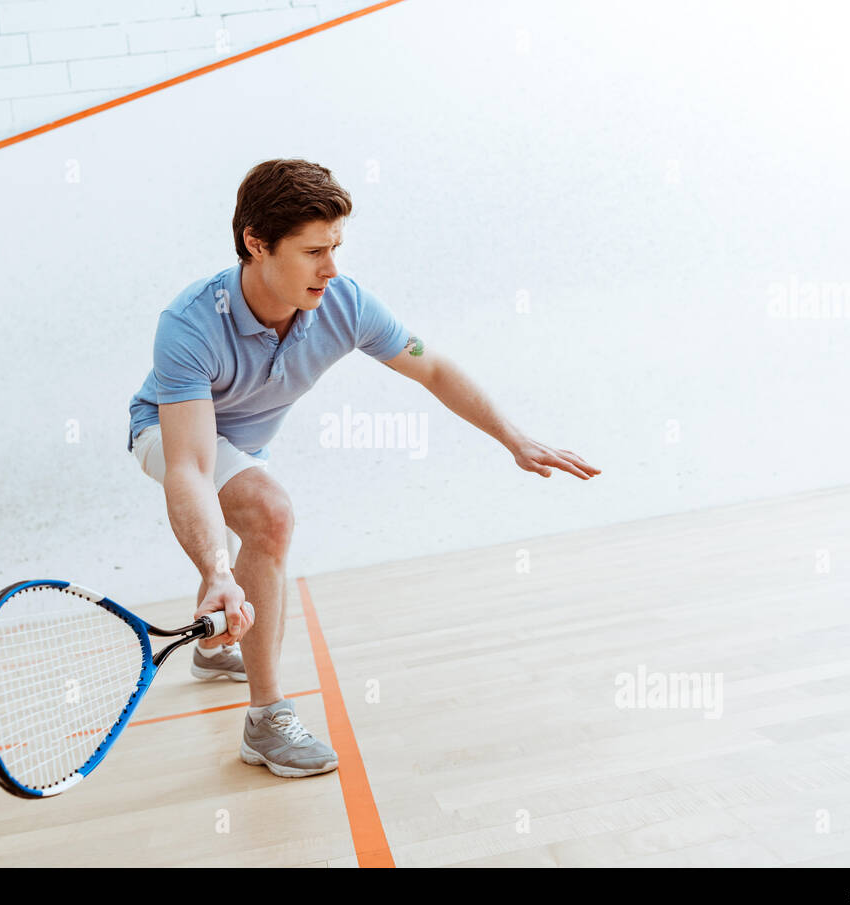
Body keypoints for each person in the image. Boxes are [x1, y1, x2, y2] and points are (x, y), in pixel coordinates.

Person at [128, 158, 599, 777]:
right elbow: (191, 466)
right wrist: (214, 568)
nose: (331, 268)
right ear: (256, 244)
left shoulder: (342, 303)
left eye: (336, 248)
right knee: (268, 515)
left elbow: (430, 365)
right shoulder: (190, 324)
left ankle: (217, 654)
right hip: (167, 434)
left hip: (245, 448)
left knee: (254, 510)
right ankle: (266, 723)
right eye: (313, 251)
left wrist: (514, 438)